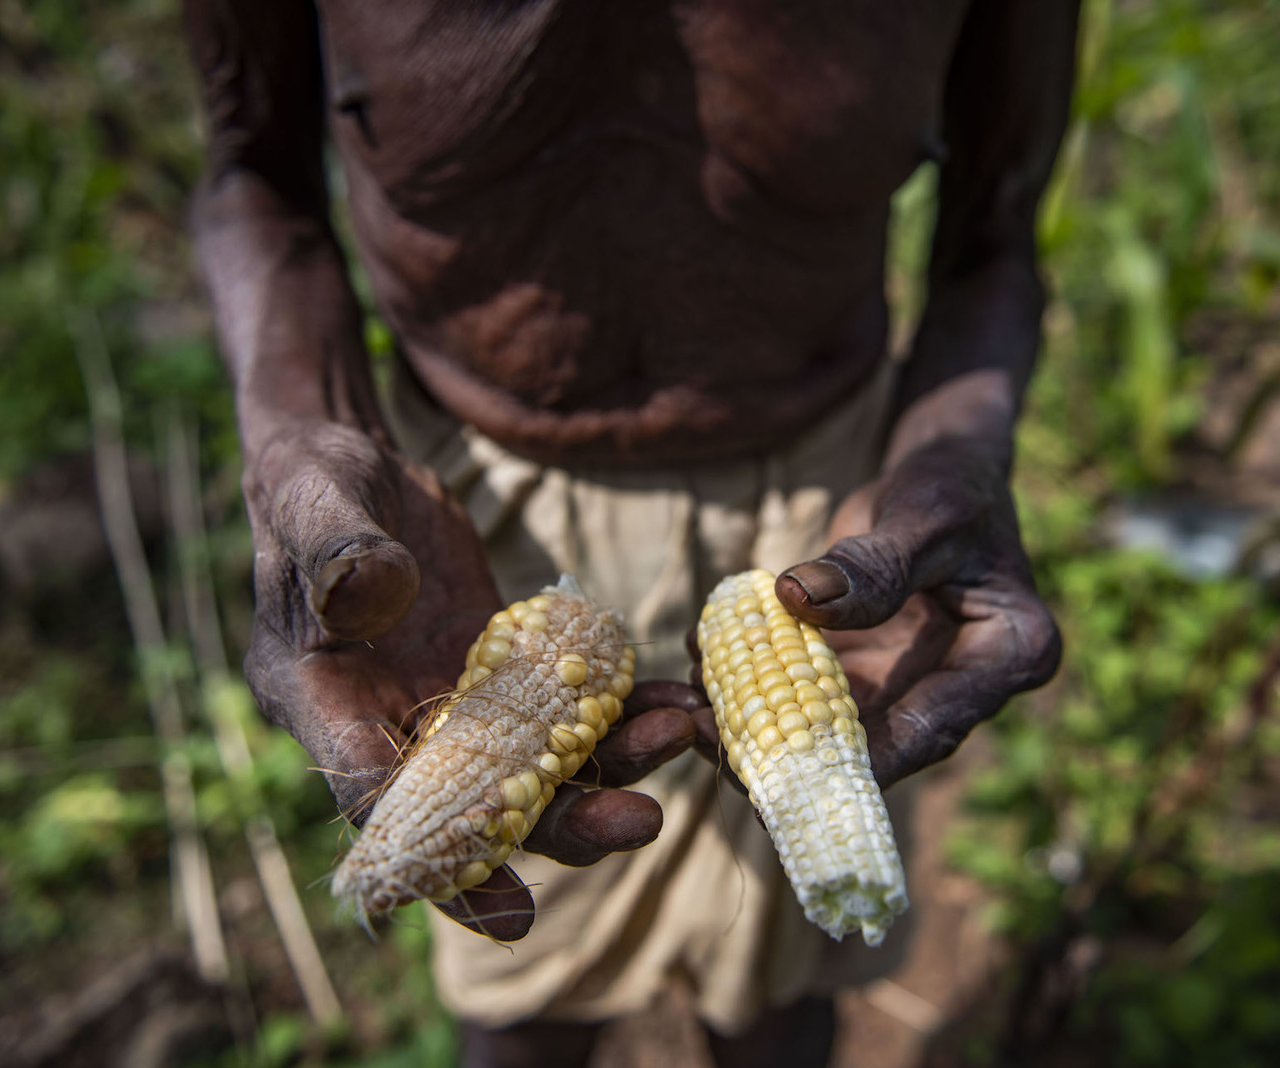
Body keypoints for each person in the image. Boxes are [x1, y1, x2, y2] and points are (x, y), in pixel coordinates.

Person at [182, 1, 1074, 1065]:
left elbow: (995, 233)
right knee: (518, 1013)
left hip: (825, 524)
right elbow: (254, 174)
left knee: (779, 1005)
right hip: (455, 516)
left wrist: (955, 448)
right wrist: (298, 435)